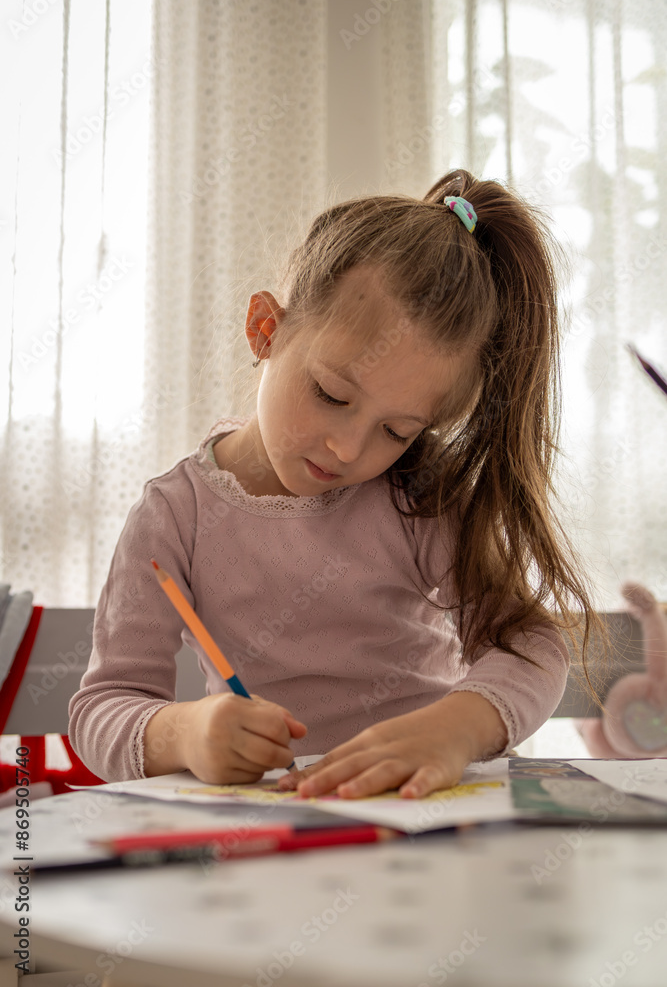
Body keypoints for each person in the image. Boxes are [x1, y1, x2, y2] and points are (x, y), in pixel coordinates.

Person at [68, 168, 605, 800]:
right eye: (331, 394)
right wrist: (184, 733)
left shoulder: (416, 494)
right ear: (266, 329)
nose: (349, 449)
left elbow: (530, 644)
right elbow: (102, 707)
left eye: (396, 430)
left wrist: (457, 728)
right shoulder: (176, 515)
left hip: (429, 808)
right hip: (281, 819)